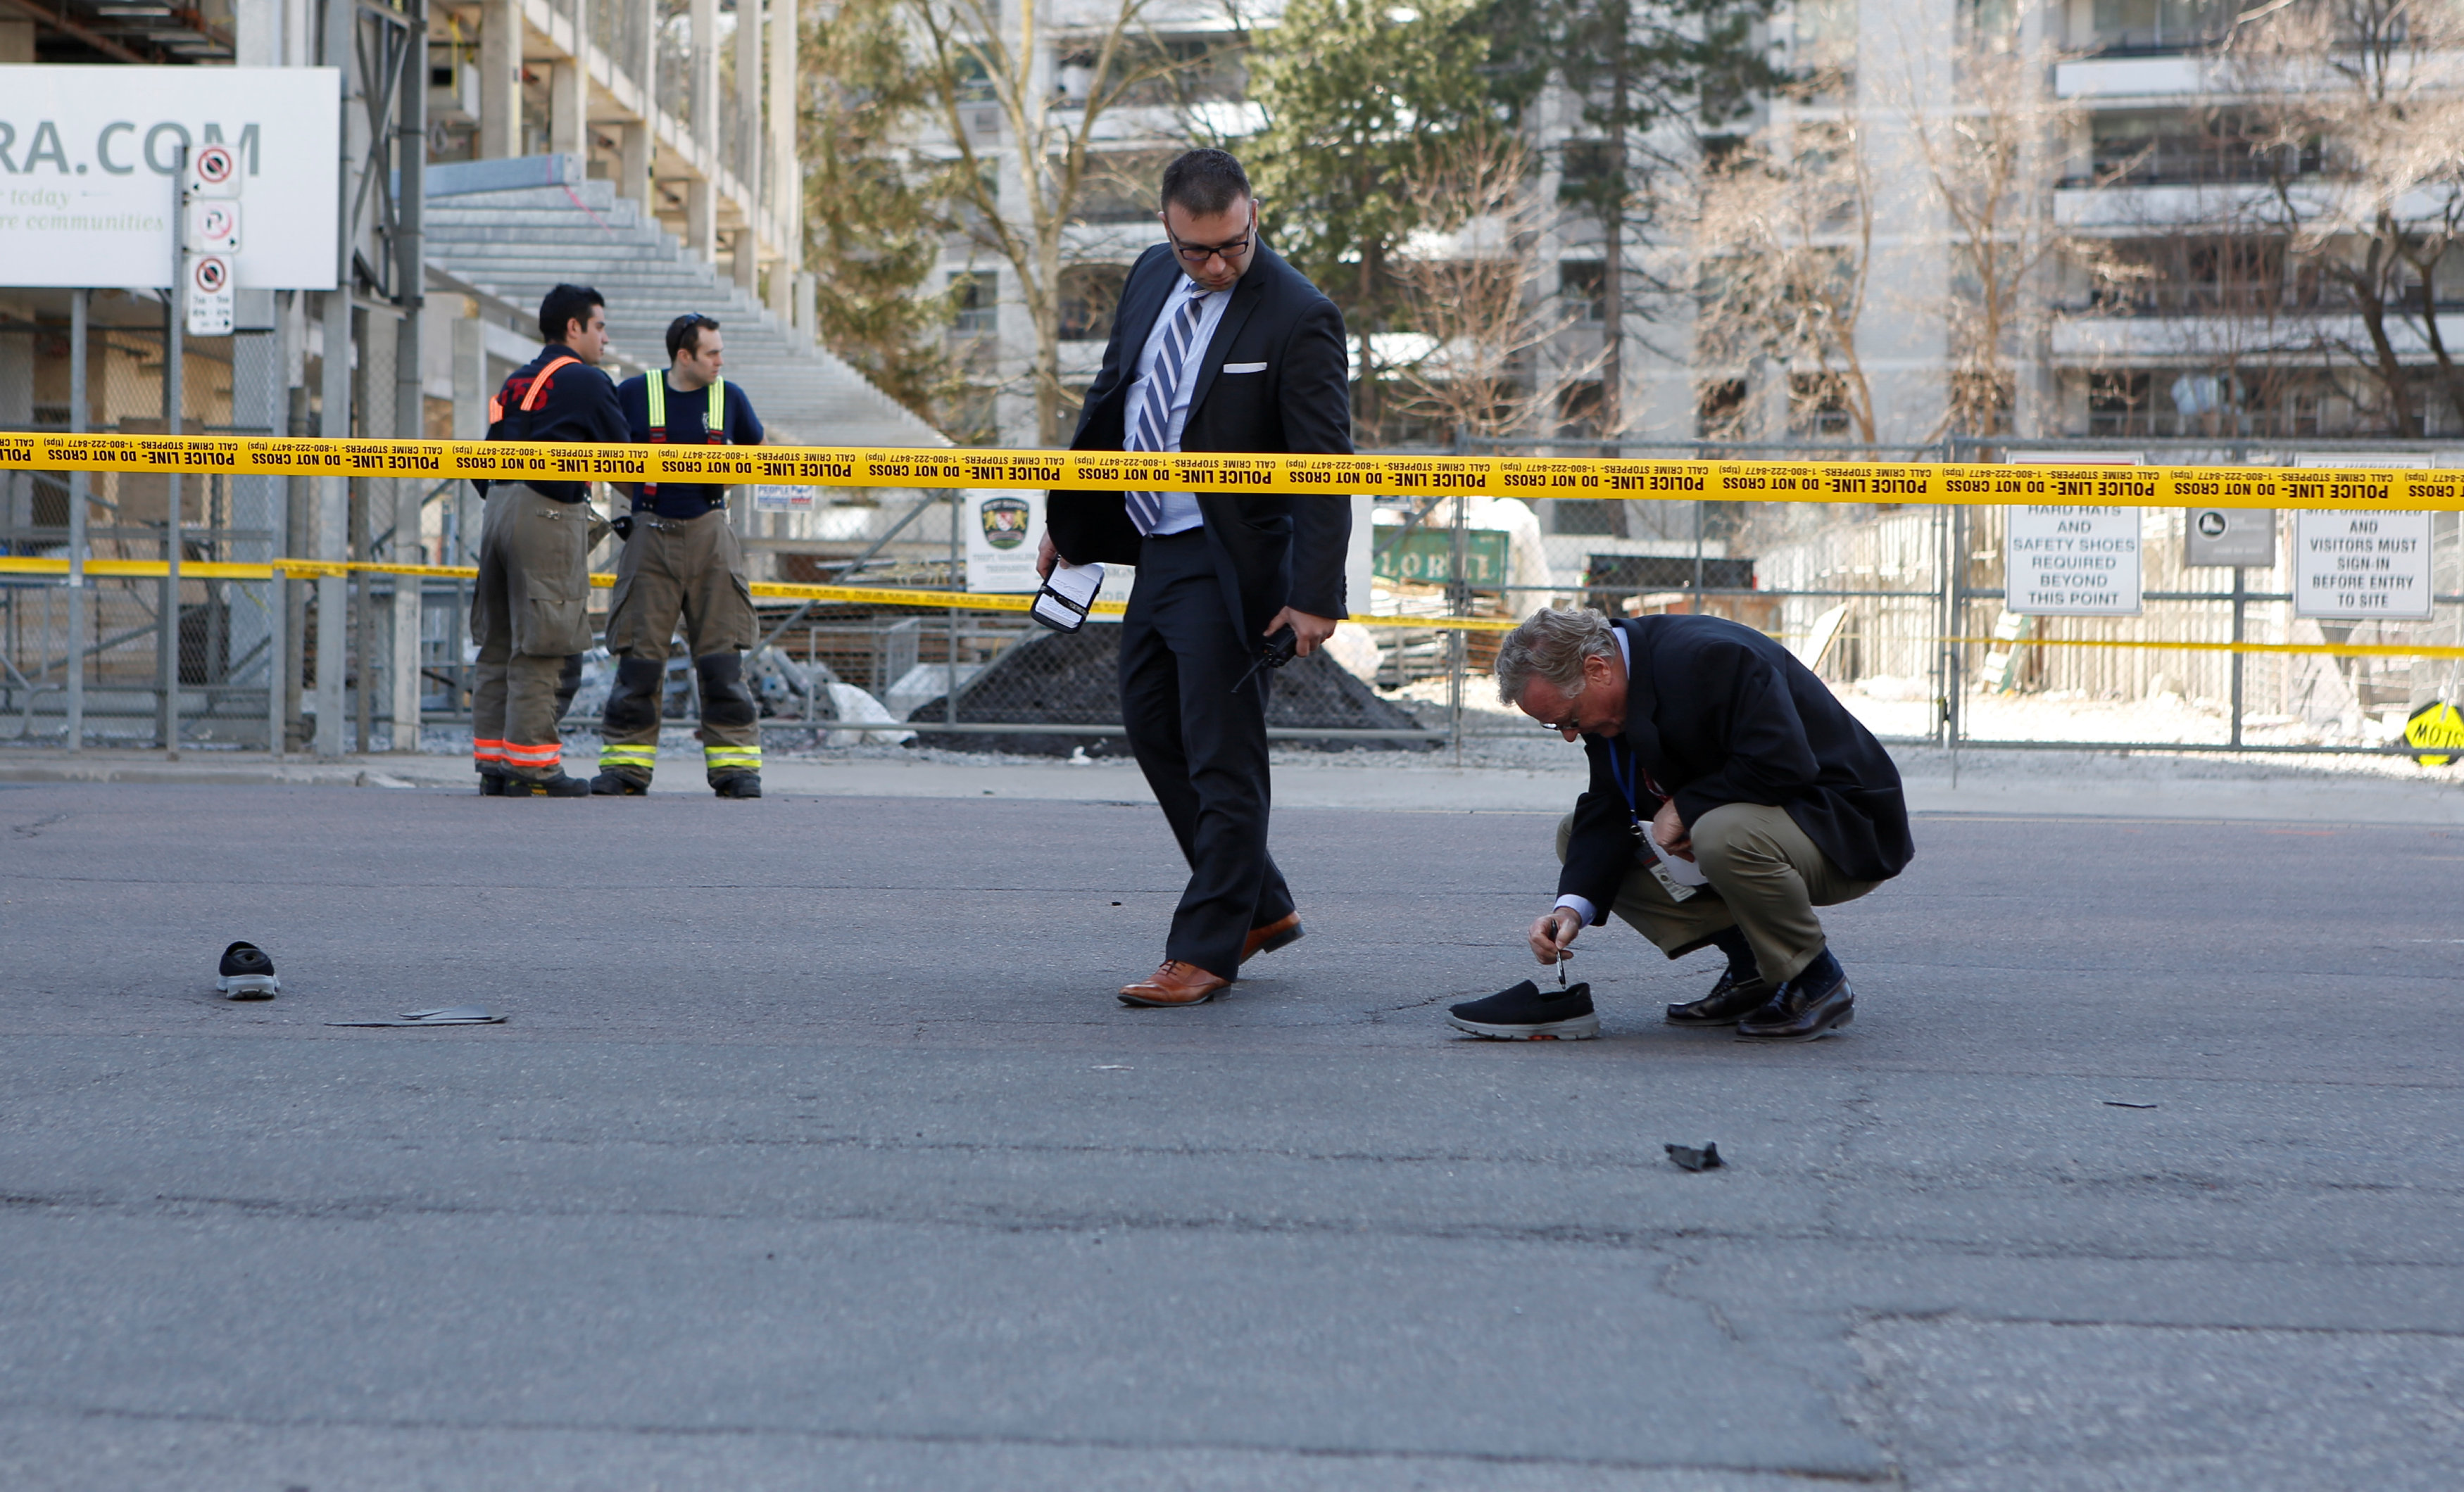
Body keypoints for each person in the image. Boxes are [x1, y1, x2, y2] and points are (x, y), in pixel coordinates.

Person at [1036, 148, 1352, 1008]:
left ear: (1253, 214)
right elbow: (1112, 401)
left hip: (1230, 560)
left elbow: (1327, 465)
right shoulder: (1147, 275)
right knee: (1151, 727)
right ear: (1165, 230)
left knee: (1223, 757)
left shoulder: (1299, 314)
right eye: (1196, 251)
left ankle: (1205, 947)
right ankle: (1262, 903)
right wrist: (1068, 524)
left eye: (1232, 246)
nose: (1216, 265)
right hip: (1155, 545)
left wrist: (1317, 594)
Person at [1461, 605, 1913, 1042]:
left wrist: (1684, 807)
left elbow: (1784, 765)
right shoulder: (1613, 696)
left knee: (1720, 832)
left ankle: (1815, 978)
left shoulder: (1708, 658)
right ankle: (1753, 967)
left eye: (1569, 719)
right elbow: (1608, 802)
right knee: (1576, 831)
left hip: (1843, 827)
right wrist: (1569, 910)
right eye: (1555, 726)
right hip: (1768, 817)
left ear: (1597, 669)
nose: (1570, 735)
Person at [592, 313, 767, 798]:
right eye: (711, 352)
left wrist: (719, 487)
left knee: (721, 660)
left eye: (719, 351)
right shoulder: (633, 394)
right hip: (651, 534)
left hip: (711, 531)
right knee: (639, 660)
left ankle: (735, 768)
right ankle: (626, 768)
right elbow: (607, 456)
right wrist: (642, 501)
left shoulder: (728, 397)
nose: (720, 360)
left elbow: (759, 451)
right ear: (683, 356)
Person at [470, 284, 629, 797]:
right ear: (574, 328)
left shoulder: (517, 381)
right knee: (544, 641)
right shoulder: (587, 381)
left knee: (499, 643)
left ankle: (495, 766)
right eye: (600, 326)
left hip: (497, 508)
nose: (606, 337)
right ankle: (534, 768)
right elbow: (625, 464)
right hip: (546, 512)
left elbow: (485, 457)